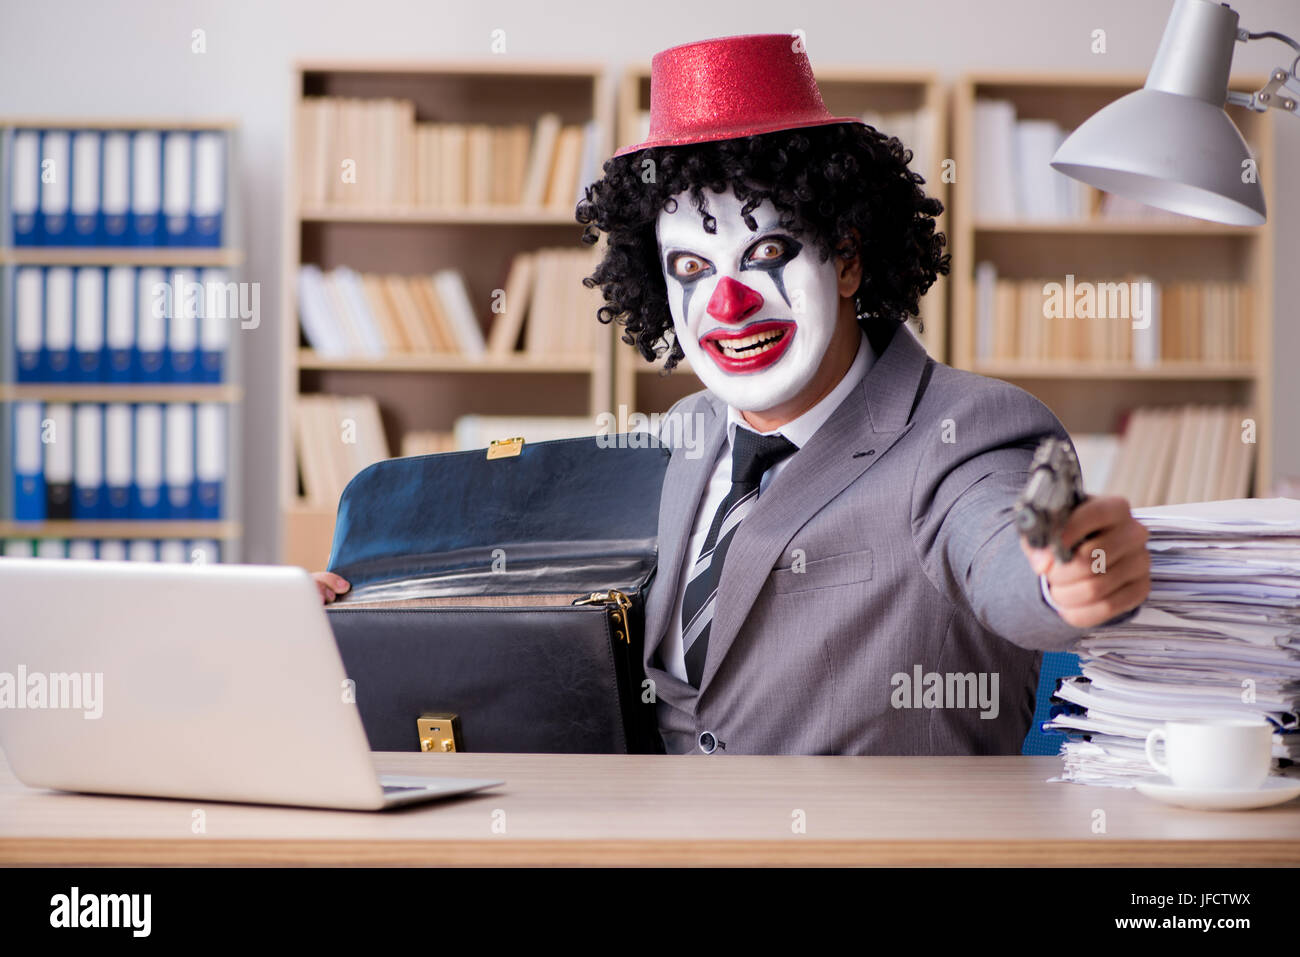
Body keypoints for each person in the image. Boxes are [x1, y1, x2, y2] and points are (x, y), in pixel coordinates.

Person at [317, 33, 1151, 756]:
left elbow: (1000, 550)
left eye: (768, 253)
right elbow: (557, 602)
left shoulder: (965, 430)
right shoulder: (689, 432)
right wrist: (365, 607)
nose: (727, 303)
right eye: (691, 268)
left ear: (849, 256)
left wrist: (1066, 579)